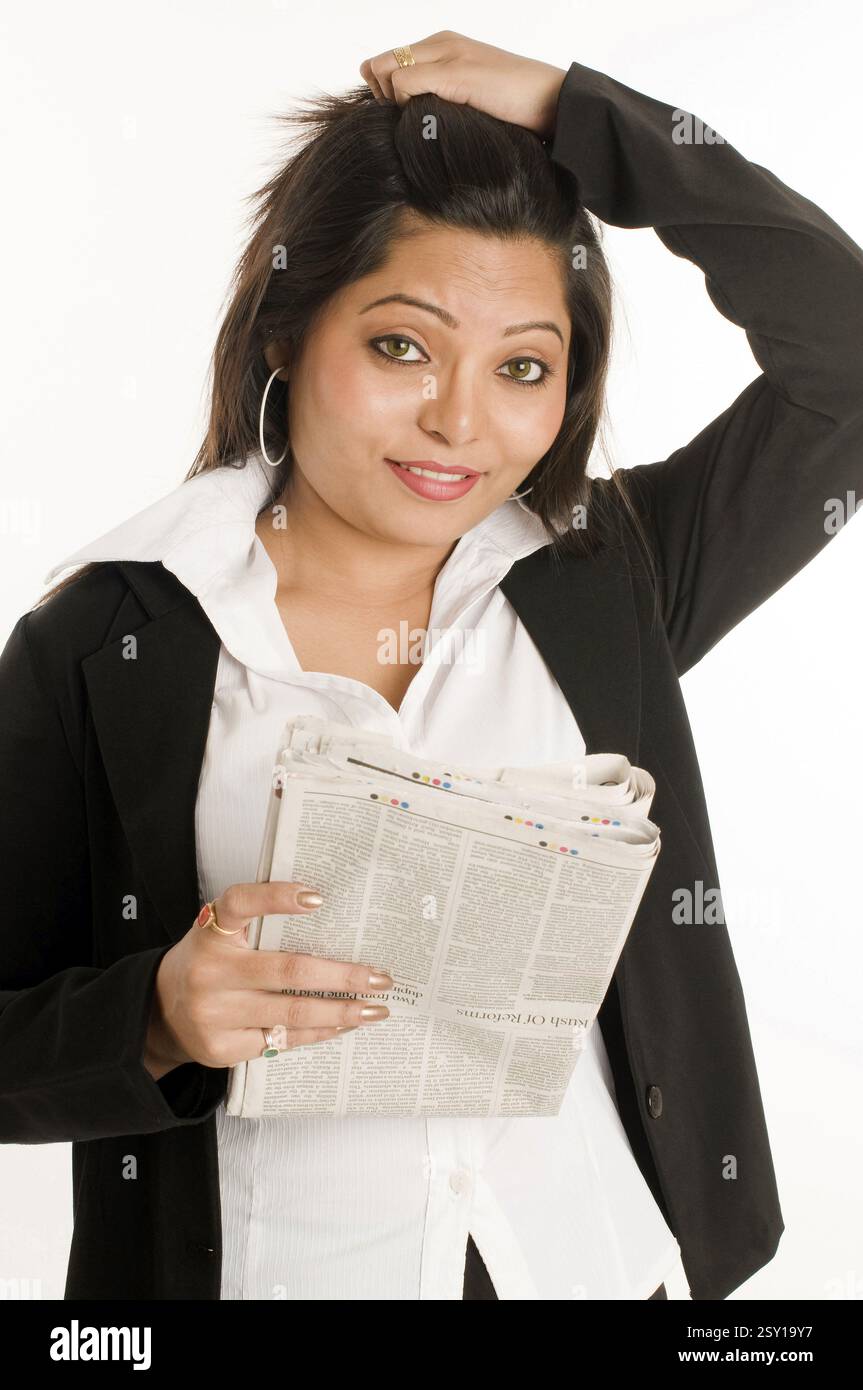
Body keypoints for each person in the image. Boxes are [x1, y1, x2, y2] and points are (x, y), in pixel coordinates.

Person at [1, 32, 861, 1301]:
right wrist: (157, 1015)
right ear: (289, 331)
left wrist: (587, 117)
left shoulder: (607, 585)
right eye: (402, 346)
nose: (461, 422)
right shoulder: (107, 643)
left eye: (522, 366)